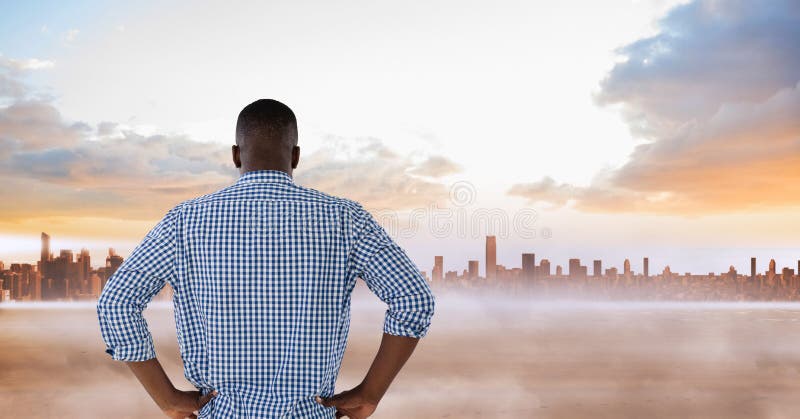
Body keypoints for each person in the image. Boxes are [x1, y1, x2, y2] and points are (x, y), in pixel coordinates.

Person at [96, 99, 436, 419]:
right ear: (296, 156)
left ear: (235, 155)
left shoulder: (184, 221)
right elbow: (413, 298)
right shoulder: (346, 218)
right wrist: (370, 393)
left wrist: (166, 398)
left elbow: (116, 303)